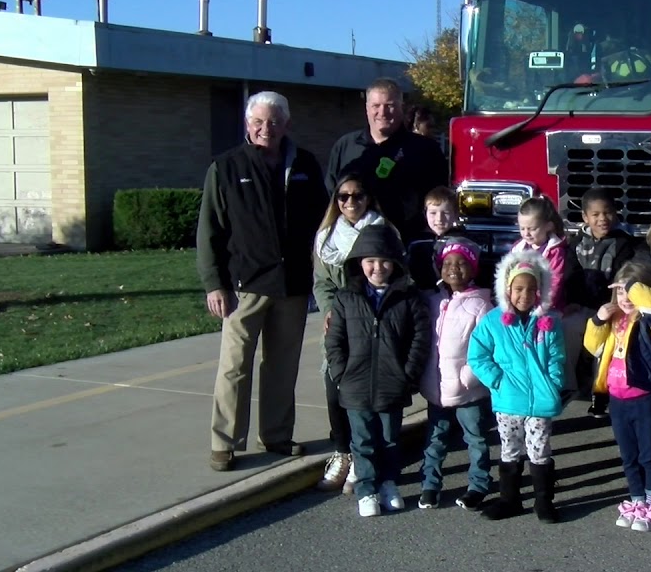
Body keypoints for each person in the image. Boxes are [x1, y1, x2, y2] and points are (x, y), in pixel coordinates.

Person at [198, 91, 328, 472]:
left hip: (292, 285)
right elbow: (210, 231)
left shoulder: (303, 164)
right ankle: (224, 443)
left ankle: (276, 435)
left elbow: (321, 223)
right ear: (247, 124)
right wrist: (214, 283)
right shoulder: (225, 167)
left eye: (273, 122)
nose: (264, 129)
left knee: (281, 365)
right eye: (257, 122)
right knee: (235, 366)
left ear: (286, 124)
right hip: (245, 286)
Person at [324, 225, 431, 517]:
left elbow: (420, 337)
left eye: (384, 261)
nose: (377, 267)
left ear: (395, 263)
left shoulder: (407, 298)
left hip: (392, 383)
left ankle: (388, 484)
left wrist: (408, 373)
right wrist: (340, 372)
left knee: (390, 439)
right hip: (355, 384)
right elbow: (335, 339)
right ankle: (366, 489)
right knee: (363, 442)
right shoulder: (347, 297)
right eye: (370, 260)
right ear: (360, 262)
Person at [312, 174, 398, 491]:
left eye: (358, 195)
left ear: (369, 199)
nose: (351, 202)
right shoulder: (326, 239)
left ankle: (368, 459)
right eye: (343, 197)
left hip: (376, 322)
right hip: (341, 322)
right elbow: (322, 284)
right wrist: (331, 310)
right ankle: (343, 452)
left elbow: (396, 277)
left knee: (371, 391)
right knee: (334, 384)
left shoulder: (384, 232)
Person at [467, 249, 565, 523]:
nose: (524, 295)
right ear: (507, 289)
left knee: (540, 449)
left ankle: (543, 501)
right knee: (510, 448)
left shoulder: (548, 323)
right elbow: (477, 354)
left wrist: (554, 382)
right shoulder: (494, 321)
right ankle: (509, 499)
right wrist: (496, 379)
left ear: (540, 291)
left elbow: (557, 355)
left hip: (540, 399)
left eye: (531, 289)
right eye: (518, 289)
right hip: (508, 398)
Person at [583, 262, 651, 532]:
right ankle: (637, 501)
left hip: (644, 397)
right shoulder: (615, 319)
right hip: (617, 399)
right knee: (629, 456)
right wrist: (599, 319)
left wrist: (635, 289)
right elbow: (592, 346)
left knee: (649, 455)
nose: (625, 298)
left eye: (631, 292)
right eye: (620, 292)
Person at [418, 237, 494, 511]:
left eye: (462, 263)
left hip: (468, 390)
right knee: (435, 439)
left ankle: (478, 484)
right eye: (448, 263)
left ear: (473, 269)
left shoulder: (481, 305)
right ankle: (430, 485)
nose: (454, 268)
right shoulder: (432, 301)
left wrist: (468, 378)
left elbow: (487, 345)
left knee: (476, 438)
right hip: (435, 388)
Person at [326, 77, 449, 243]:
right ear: (367, 108)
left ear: (401, 108)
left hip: (407, 244)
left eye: (389, 105)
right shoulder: (345, 146)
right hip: (354, 245)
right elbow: (331, 195)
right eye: (376, 106)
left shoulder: (425, 150)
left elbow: (440, 200)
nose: (382, 112)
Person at [568, 187, 639, 418]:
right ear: (585, 217)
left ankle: (599, 397)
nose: (602, 219)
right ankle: (569, 386)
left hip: (610, 308)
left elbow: (622, 277)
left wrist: (614, 308)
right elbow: (571, 275)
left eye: (608, 213)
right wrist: (572, 301)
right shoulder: (576, 244)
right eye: (596, 214)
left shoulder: (624, 244)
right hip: (581, 305)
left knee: (604, 353)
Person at [512, 196, 583, 401]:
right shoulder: (518, 248)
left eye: (532, 228)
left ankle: (559, 384)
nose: (526, 233)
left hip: (548, 308)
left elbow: (555, 282)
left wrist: (538, 307)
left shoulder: (555, 252)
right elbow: (509, 275)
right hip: (519, 306)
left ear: (548, 226)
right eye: (522, 228)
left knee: (549, 346)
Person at [407, 186, 469, 291]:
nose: (439, 219)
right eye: (433, 213)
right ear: (424, 214)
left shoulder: (463, 243)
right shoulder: (417, 243)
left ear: (456, 214)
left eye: (445, 213)